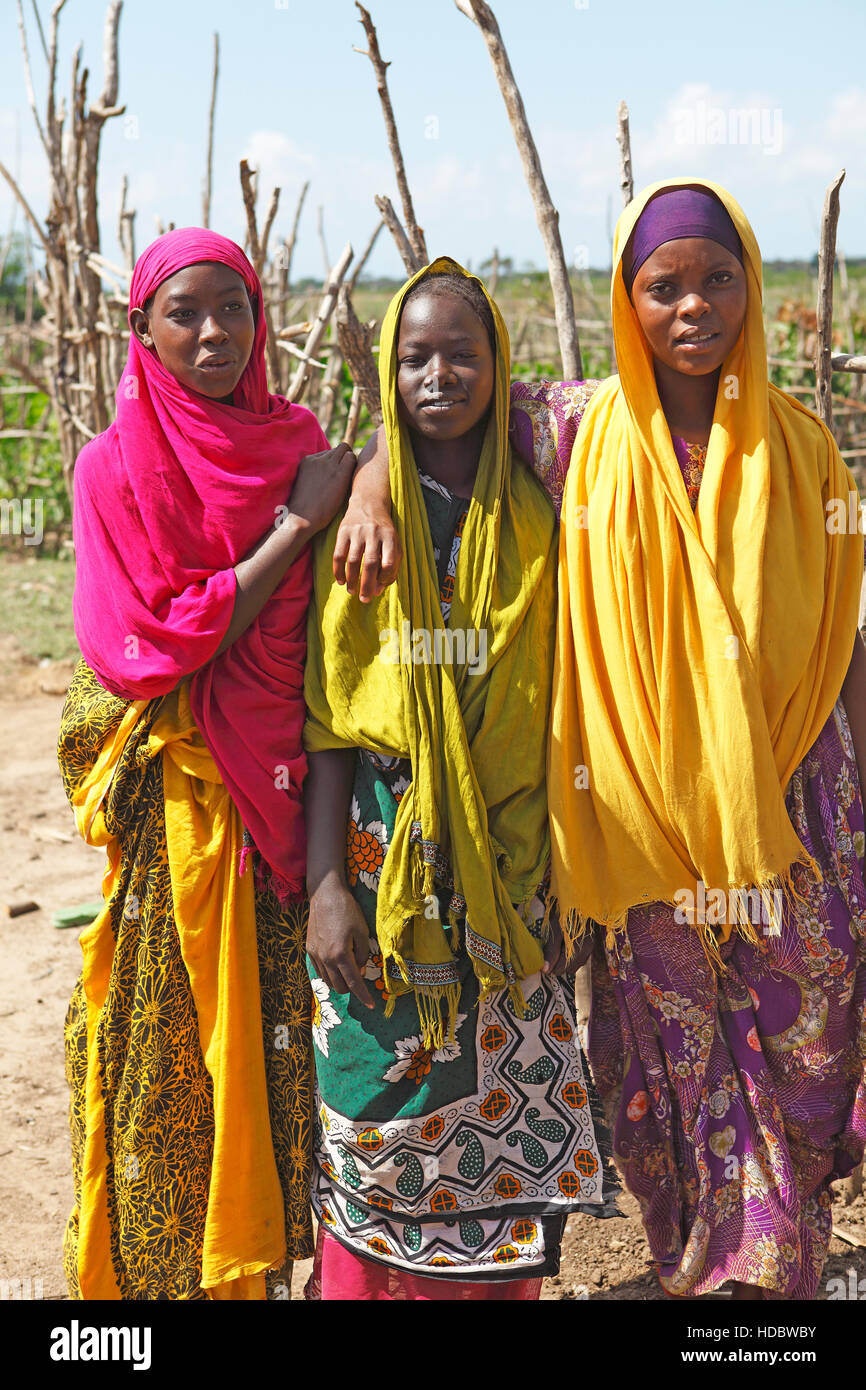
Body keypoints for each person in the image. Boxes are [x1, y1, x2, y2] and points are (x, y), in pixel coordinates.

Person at [341, 180, 866, 1300]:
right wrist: (368, 489)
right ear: (627, 301)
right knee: (667, 1050)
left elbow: (839, 630)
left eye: (716, 279)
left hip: (792, 798)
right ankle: (723, 1274)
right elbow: (436, 412)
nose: (692, 307)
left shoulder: (806, 447)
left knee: (807, 1043)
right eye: (662, 287)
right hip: (643, 810)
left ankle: (775, 1252)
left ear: (752, 283)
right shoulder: (575, 427)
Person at [302, 256, 617, 1301]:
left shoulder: (539, 509)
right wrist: (325, 889)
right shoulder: (362, 532)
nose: (438, 374)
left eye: (462, 354)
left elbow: (562, 713)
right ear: (386, 370)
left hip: (513, 859)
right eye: (414, 356)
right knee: (367, 1108)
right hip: (379, 846)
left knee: (503, 1130)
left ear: (500, 365)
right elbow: (331, 725)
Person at [59, 228, 355, 1300]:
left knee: (286, 1058)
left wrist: (337, 498)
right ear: (142, 331)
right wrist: (292, 527)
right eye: (184, 312)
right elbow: (151, 643)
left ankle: (269, 1268)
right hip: (187, 810)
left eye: (232, 308)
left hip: (298, 797)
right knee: (168, 1061)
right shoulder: (112, 469)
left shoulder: (301, 443)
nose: (213, 332)